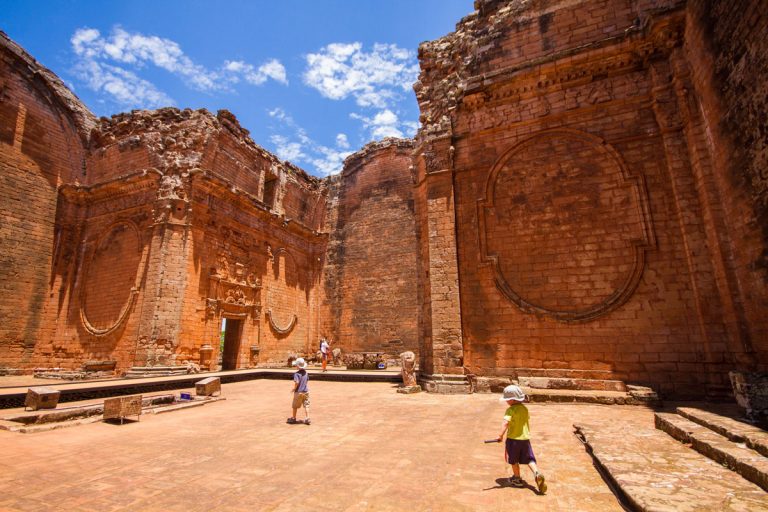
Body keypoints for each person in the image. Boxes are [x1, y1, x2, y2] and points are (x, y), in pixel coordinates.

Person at [496, 384, 546, 493]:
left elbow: (505, 423)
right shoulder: (524, 409)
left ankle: (517, 478)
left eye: (507, 399)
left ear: (513, 400)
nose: (506, 402)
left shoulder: (510, 410)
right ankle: (537, 473)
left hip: (513, 440)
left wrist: (500, 435)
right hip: (525, 439)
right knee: (529, 459)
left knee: (514, 460)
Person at [287, 357, 310, 425]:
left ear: (297, 366)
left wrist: (294, 388)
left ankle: (293, 418)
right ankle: (307, 418)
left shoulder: (296, 374)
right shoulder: (306, 373)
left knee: (295, 406)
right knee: (306, 405)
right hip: (306, 391)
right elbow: (307, 380)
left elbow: (297, 382)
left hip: (298, 392)